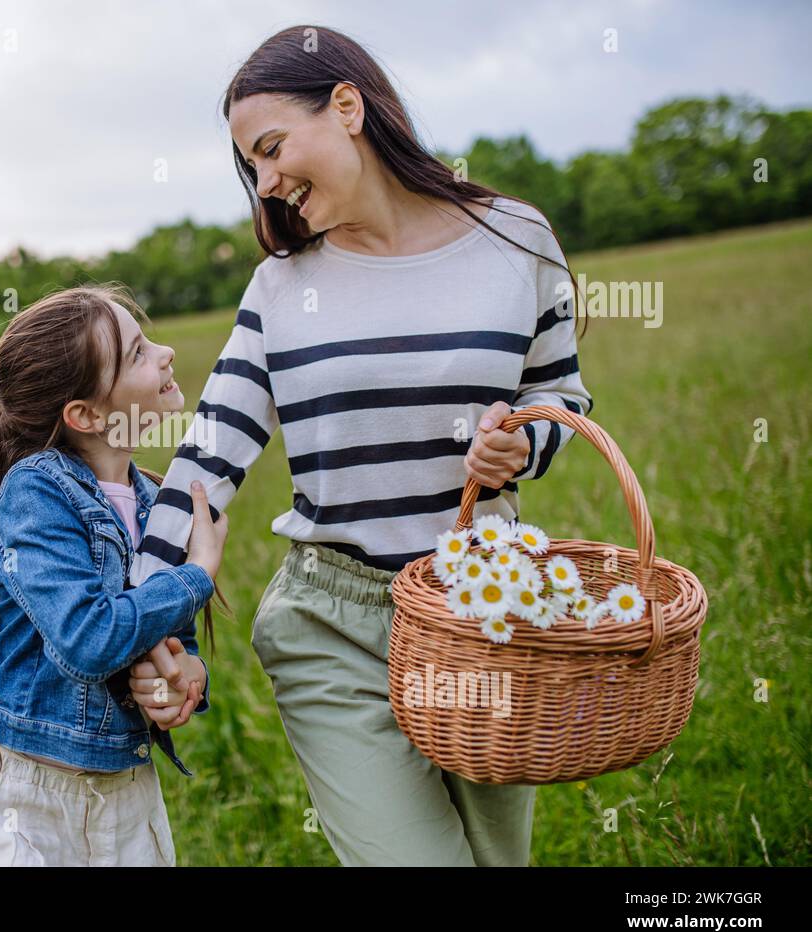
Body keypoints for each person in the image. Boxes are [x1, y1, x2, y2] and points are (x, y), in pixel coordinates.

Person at [129, 26, 595, 866]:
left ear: (347, 107)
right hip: (332, 622)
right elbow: (207, 457)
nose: (266, 182)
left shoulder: (518, 242)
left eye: (272, 149)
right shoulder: (282, 287)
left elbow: (557, 394)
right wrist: (146, 612)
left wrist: (521, 450)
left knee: (499, 861)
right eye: (252, 166)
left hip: (482, 608)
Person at [0, 284, 228, 866]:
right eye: (138, 353)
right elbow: (89, 637)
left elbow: (172, 639)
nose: (166, 353)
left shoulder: (155, 499)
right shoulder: (37, 490)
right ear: (87, 414)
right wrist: (197, 574)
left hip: (126, 792)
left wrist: (181, 682)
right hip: (30, 796)